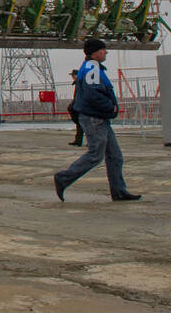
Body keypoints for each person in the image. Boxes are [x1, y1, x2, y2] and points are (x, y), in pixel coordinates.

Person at [54, 39, 140, 202]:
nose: (106, 52)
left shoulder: (91, 67)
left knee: (115, 156)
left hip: (100, 118)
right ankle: (63, 178)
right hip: (95, 118)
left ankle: (119, 191)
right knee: (95, 155)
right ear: (95, 52)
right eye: (103, 50)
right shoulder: (91, 68)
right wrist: (110, 107)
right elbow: (93, 94)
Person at [66, 69, 84, 146]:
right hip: (80, 106)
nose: (72, 77)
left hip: (80, 107)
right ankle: (78, 140)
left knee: (82, 124)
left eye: (73, 75)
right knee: (81, 124)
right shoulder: (80, 83)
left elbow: (78, 96)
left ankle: (79, 141)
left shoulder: (80, 83)